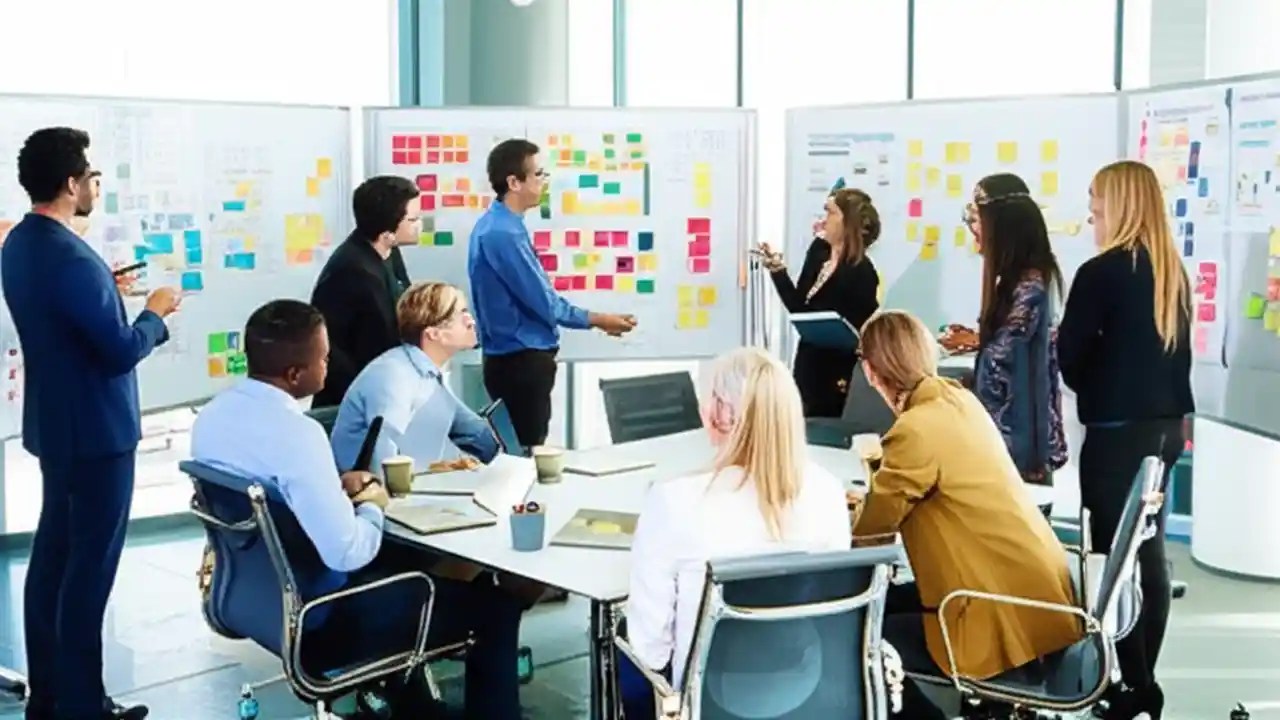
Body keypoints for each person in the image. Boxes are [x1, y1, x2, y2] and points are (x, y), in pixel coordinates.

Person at [191, 300, 525, 719]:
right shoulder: (299, 434)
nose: (328, 366)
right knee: (494, 608)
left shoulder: (213, 416)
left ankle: (409, 701)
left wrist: (333, 487)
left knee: (412, 560)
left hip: (250, 600)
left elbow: (280, 494)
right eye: (324, 358)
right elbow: (348, 553)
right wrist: (372, 503)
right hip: (321, 619)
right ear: (295, 374)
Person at [1, 127, 180, 720]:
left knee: (53, 561)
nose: (93, 184)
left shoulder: (24, 243)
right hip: (98, 436)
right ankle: (82, 704)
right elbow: (119, 350)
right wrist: (154, 313)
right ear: (71, 182)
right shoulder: (70, 255)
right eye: (89, 174)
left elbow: (68, 316)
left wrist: (107, 286)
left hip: (58, 427)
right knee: (89, 569)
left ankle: (51, 696)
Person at [849, 310, 1082, 720]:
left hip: (994, 613)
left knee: (856, 634)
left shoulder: (916, 429)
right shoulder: (959, 400)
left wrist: (844, 513)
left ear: (870, 370)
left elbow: (870, 536)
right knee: (887, 601)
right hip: (1039, 602)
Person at [621, 347, 851, 718]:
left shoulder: (673, 500)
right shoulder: (828, 491)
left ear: (718, 413)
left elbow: (650, 650)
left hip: (711, 698)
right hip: (808, 688)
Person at [1057, 160, 1193, 720]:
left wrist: (1093, 379)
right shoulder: (1170, 272)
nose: (1090, 209)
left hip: (1114, 439)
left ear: (1118, 202)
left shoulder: (1100, 272)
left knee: (1113, 561)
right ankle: (1144, 678)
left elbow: (1070, 361)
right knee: (1150, 555)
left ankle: (1132, 684)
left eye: (1096, 199)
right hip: (1165, 432)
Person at [467, 138, 637, 449]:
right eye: (539, 174)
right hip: (520, 363)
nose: (545, 182)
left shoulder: (499, 225)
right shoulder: (502, 234)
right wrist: (598, 319)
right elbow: (543, 302)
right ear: (514, 182)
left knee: (523, 452)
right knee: (530, 456)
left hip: (513, 360)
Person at [964, 173, 1068, 510]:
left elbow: (999, 362)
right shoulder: (1016, 281)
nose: (972, 228)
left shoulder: (1029, 288)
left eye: (976, 219)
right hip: (1008, 440)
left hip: (1018, 445)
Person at [331, 281, 499, 473]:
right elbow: (384, 461)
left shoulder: (429, 373)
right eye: (461, 313)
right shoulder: (394, 376)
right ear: (433, 334)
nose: (471, 320)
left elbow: (474, 432)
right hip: (371, 495)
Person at [755, 188, 881, 417]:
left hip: (836, 370)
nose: (824, 220)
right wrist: (778, 272)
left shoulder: (863, 273)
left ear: (847, 222)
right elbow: (799, 309)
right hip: (806, 362)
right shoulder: (818, 252)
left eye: (830, 213)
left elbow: (860, 332)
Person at [310, 176, 418, 408]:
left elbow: (406, 305)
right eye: (413, 219)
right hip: (353, 397)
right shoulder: (353, 272)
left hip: (382, 383)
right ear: (387, 232)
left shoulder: (389, 251)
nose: (419, 225)